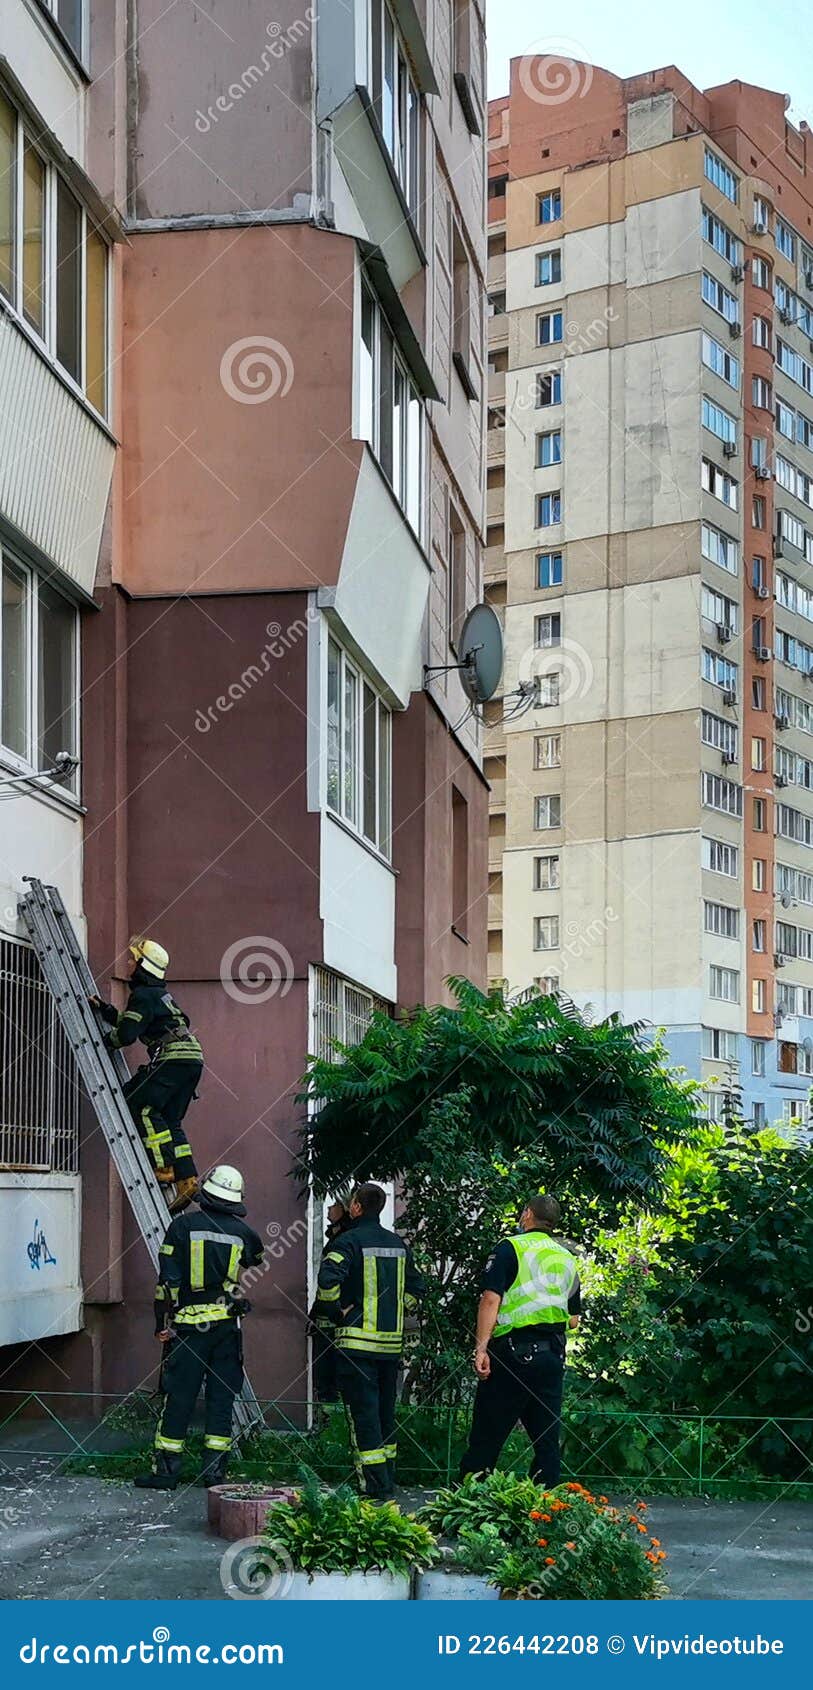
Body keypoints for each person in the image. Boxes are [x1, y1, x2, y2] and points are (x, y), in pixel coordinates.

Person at [134, 1164, 264, 1491]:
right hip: (226, 1328)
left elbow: (167, 1282)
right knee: (221, 1400)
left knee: (179, 1398)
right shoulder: (244, 1234)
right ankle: (215, 1476)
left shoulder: (181, 1227)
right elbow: (255, 1258)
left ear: (206, 1193)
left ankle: (166, 1473)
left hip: (189, 1329)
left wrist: (161, 1323)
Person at [459, 1193, 580, 1488]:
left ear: (527, 1215)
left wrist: (481, 1348)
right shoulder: (567, 1258)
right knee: (546, 1440)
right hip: (552, 1356)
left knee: (487, 1435)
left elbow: (490, 1300)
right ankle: (546, 1509)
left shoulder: (509, 1248)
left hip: (512, 1355)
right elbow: (574, 1319)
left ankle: (467, 1505)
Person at [314, 1183, 424, 1501]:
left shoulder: (347, 1241)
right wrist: (397, 1308)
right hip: (390, 1347)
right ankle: (386, 1479)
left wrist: (338, 1312)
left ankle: (373, 1486)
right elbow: (417, 1291)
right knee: (384, 1414)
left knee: (362, 1415)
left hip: (356, 1344)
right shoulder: (398, 1245)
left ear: (357, 1207)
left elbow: (327, 1282)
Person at [91, 935, 203, 1210]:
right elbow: (136, 1025)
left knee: (140, 1106)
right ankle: (187, 1179)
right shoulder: (159, 996)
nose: (129, 962)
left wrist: (102, 1043)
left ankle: (162, 1166)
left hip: (173, 1060)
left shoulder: (142, 995)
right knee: (171, 1120)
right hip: (192, 1059)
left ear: (143, 965)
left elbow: (127, 1036)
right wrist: (107, 1011)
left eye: (134, 959)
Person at [309, 1196, 353, 1405]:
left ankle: (332, 1422)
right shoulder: (338, 1237)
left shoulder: (344, 1240)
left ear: (345, 1209)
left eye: (335, 1204)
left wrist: (330, 1311)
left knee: (331, 1379)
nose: (329, 1208)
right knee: (325, 1376)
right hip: (327, 1321)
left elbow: (332, 1282)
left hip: (337, 1321)